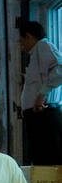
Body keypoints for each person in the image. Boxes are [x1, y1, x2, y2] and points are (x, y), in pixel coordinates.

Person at [17, 20, 62, 164]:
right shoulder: (37, 52)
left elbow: (60, 68)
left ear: (29, 36)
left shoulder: (43, 45)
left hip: (43, 114)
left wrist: (42, 94)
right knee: (40, 160)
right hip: (36, 115)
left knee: (48, 160)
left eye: (22, 40)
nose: (21, 45)